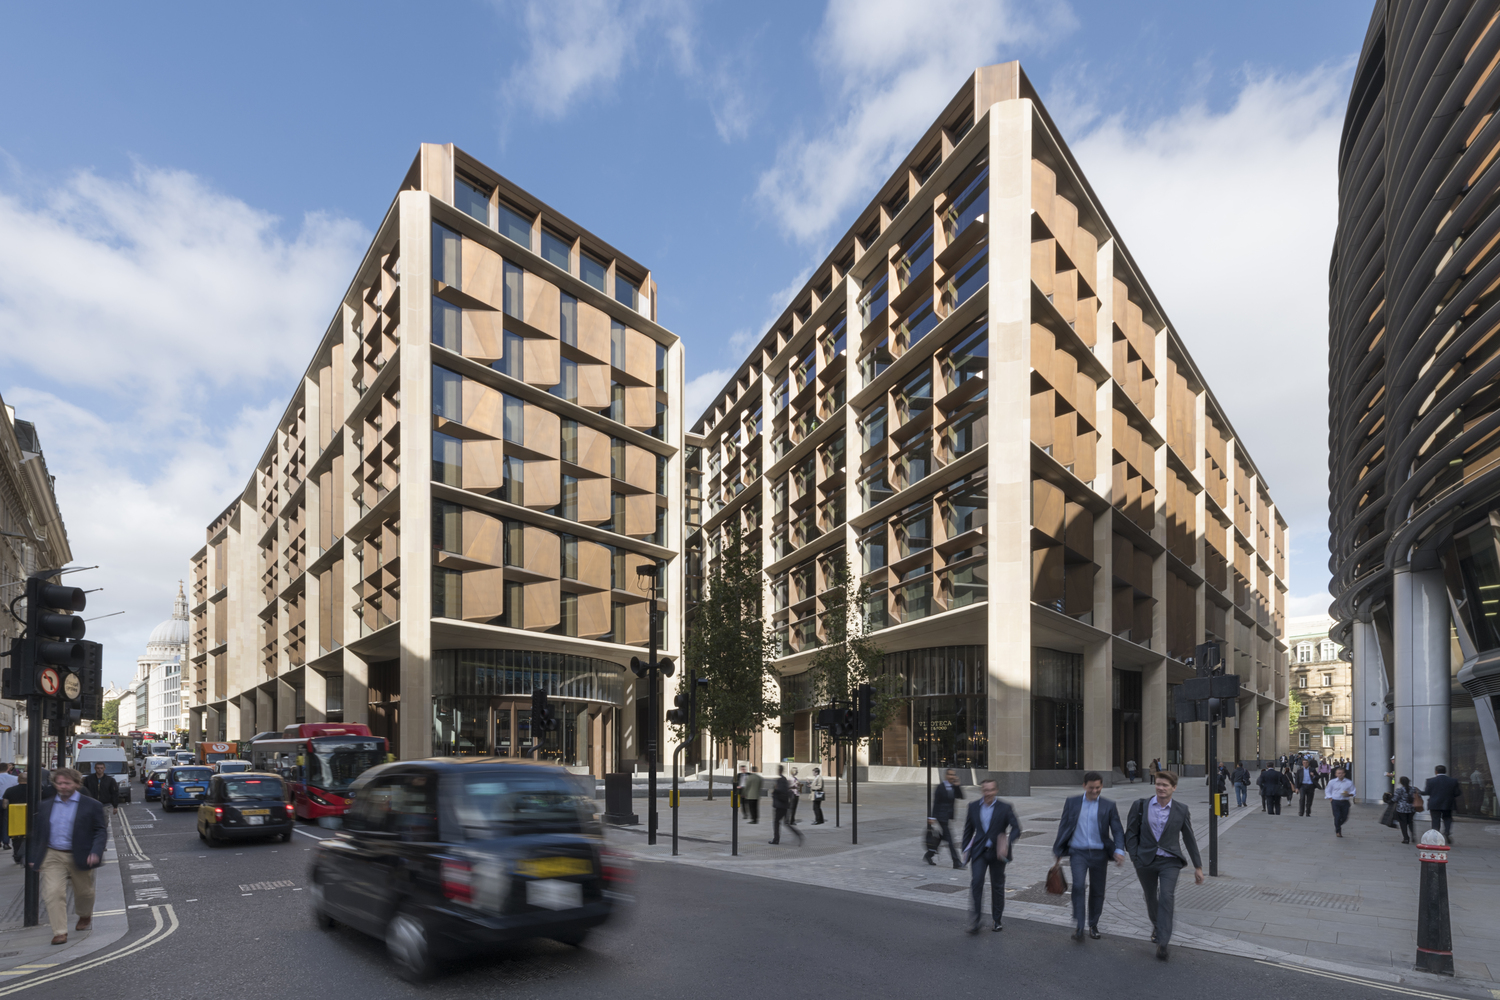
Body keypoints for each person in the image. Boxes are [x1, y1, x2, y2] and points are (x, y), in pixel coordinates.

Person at [1124, 771, 1204, 961]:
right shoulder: (1140, 805)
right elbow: (1130, 834)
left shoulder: (1181, 809)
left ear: (1174, 788)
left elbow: (1189, 838)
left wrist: (1198, 866)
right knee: (1151, 898)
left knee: (1167, 896)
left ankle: (1163, 942)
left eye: (1165, 785)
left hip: (1170, 861)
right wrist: (1135, 857)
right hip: (1145, 861)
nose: (1161, 788)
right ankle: (1158, 926)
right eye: (1158, 784)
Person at [28, 768, 108, 946]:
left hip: (80, 854)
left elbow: (100, 831)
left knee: (84, 892)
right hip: (53, 854)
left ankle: (84, 914)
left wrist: (95, 851)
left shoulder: (92, 805)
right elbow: (37, 833)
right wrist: (34, 856)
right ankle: (59, 932)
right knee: (52, 892)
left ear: (77, 784)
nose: (63, 786)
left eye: (67, 783)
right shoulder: (45, 805)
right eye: (59, 783)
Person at [1052, 771, 1125, 941]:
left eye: (1098, 787)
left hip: (1099, 854)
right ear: (1084, 786)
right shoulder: (1072, 803)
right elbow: (1064, 826)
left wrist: (1119, 850)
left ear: (1101, 786)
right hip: (1078, 852)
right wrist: (1058, 850)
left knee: (1097, 890)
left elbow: (1117, 830)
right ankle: (1079, 926)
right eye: (1091, 788)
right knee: (1078, 886)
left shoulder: (1109, 805)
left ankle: (1093, 924)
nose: (1094, 791)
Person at [961, 778, 1019, 934]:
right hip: (979, 852)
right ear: (982, 790)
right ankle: (975, 921)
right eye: (985, 790)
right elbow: (968, 830)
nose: (988, 793)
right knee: (976, 883)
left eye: (991, 790)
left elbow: (1016, 828)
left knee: (997, 886)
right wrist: (965, 849)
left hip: (998, 854)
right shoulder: (973, 806)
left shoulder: (1005, 807)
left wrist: (1007, 842)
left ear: (996, 791)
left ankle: (997, 920)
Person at [925, 768, 965, 868]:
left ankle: (929, 854)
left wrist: (958, 786)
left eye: (953, 775)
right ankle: (956, 862)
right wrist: (932, 817)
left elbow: (961, 796)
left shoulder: (953, 787)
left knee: (944, 837)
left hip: (948, 816)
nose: (952, 777)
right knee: (950, 839)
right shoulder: (940, 787)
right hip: (940, 816)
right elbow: (936, 802)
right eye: (950, 775)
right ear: (946, 776)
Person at [1421, 765, 1463, 843]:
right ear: (1445, 771)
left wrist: (1419, 792)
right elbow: (1457, 793)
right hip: (1448, 803)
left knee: (1435, 820)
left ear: (1436, 771)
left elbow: (1427, 792)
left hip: (1434, 803)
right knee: (1447, 818)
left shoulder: (1430, 781)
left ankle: (1436, 835)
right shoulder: (1453, 781)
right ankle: (1447, 831)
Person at [768, 765, 803, 846]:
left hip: (780, 805)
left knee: (777, 822)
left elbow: (780, 791)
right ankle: (798, 835)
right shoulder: (785, 780)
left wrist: (774, 791)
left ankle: (776, 839)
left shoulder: (780, 780)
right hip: (785, 805)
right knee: (786, 823)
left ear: (779, 770)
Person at [2, 770, 27, 863]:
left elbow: (5, 805)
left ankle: (17, 855)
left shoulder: (10, 790)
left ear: (18, 779)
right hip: (29, 817)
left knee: (16, 838)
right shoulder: (35, 789)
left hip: (15, 818)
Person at [1324, 766, 1356, 837]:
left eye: (1342, 773)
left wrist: (1349, 794)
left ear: (1344, 774)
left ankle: (1338, 824)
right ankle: (1338, 830)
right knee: (1337, 816)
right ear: (1336, 774)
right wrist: (1330, 798)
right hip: (1335, 801)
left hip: (1345, 801)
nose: (1340, 775)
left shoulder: (1349, 782)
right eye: (1339, 773)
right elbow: (1328, 790)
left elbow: (1353, 791)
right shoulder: (1332, 782)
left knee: (1344, 817)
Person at [1392, 776, 1417, 844]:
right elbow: (1418, 795)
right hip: (1411, 808)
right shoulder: (1413, 789)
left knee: (1403, 823)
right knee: (1410, 822)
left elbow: (1395, 799)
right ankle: (1412, 835)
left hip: (1401, 809)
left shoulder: (1399, 790)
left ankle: (1406, 838)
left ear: (1401, 782)